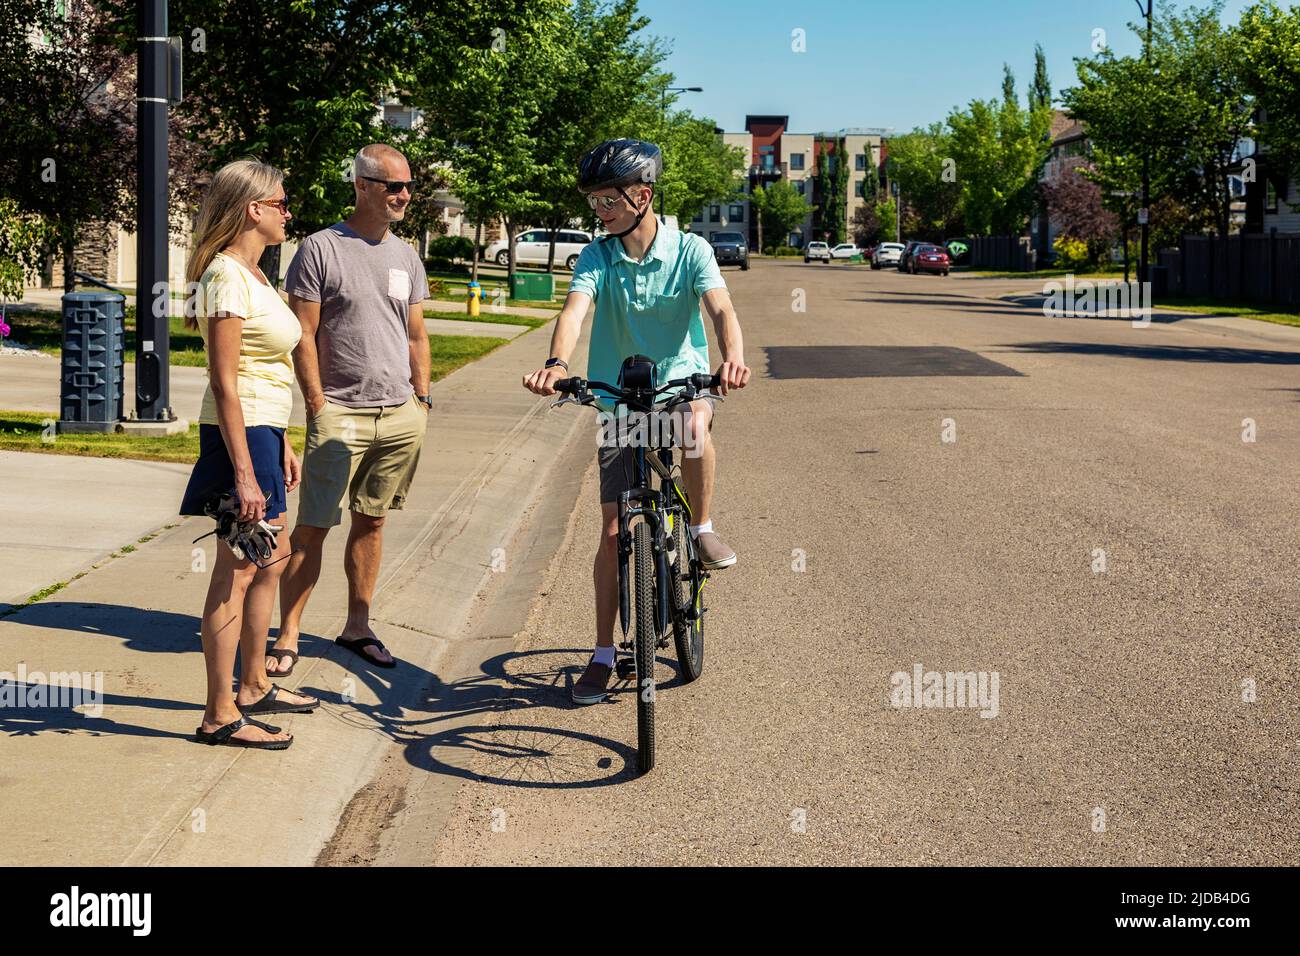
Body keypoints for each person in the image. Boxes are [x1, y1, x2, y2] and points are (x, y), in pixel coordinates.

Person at [522, 138, 751, 704]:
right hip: (618, 398)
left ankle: (699, 531)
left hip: (679, 382)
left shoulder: (691, 249)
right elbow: (574, 310)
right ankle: (602, 654)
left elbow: (721, 309)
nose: (599, 212)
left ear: (642, 196)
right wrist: (556, 363)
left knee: (694, 430)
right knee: (611, 531)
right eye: (594, 202)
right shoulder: (597, 255)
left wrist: (732, 358)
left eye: (607, 201)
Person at [270, 144, 431, 674]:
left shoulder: (406, 255)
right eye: (394, 187)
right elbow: (304, 335)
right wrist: (317, 403)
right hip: (340, 410)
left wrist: (421, 398)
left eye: (408, 186)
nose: (404, 196)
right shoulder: (320, 249)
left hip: (400, 413)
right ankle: (288, 634)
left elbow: (415, 334)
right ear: (362, 186)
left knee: (374, 521)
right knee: (313, 526)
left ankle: (357, 627)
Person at [179, 159, 320, 749]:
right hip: (238, 438)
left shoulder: (256, 275)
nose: (289, 213)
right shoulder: (224, 277)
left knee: (272, 559)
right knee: (235, 573)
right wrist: (243, 472)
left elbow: (267, 370)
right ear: (252, 210)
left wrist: (282, 441)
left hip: (264, 433)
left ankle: (255, 683)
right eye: (281, 203)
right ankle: (218, 714)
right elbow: (226, 380)